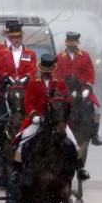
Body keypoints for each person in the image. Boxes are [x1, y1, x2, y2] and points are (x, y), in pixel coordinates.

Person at [11, 53, 90, 182]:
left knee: (74, 143)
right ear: (41, 70)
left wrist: (61, 111)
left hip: (56, 121)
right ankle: (16, 172)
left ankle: (80, 169)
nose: (47, 74)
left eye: (49, 71)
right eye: (44, 71)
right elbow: (28, 102)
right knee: (21, 142)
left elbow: (67, 100)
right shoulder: (33, 83)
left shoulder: (60, 84)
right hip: (38, 119)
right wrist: (34, 115)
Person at [56, 31, 102, 145]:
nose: (72, 45)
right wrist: (66, 91)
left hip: (82, 89)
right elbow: (57, 76)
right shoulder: (59, 57)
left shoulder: (85, 56)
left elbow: (90, 73)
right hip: (65, 91)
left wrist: (87, 88)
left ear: (77, 43)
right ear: (66, 43)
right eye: (70, 42)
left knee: (96, 108)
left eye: (74, 43)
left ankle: (94, 135)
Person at [0, 20, 37, 85]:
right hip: (8, 86)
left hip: (25, 87)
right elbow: (0, 68)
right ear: (10, 38)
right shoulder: (3, 53)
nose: (16, 40)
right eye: (14, 37)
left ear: (22, 38)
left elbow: (33, 69)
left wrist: (25, 79)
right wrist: (8, 78)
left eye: (18, 37)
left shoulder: (30, 53)